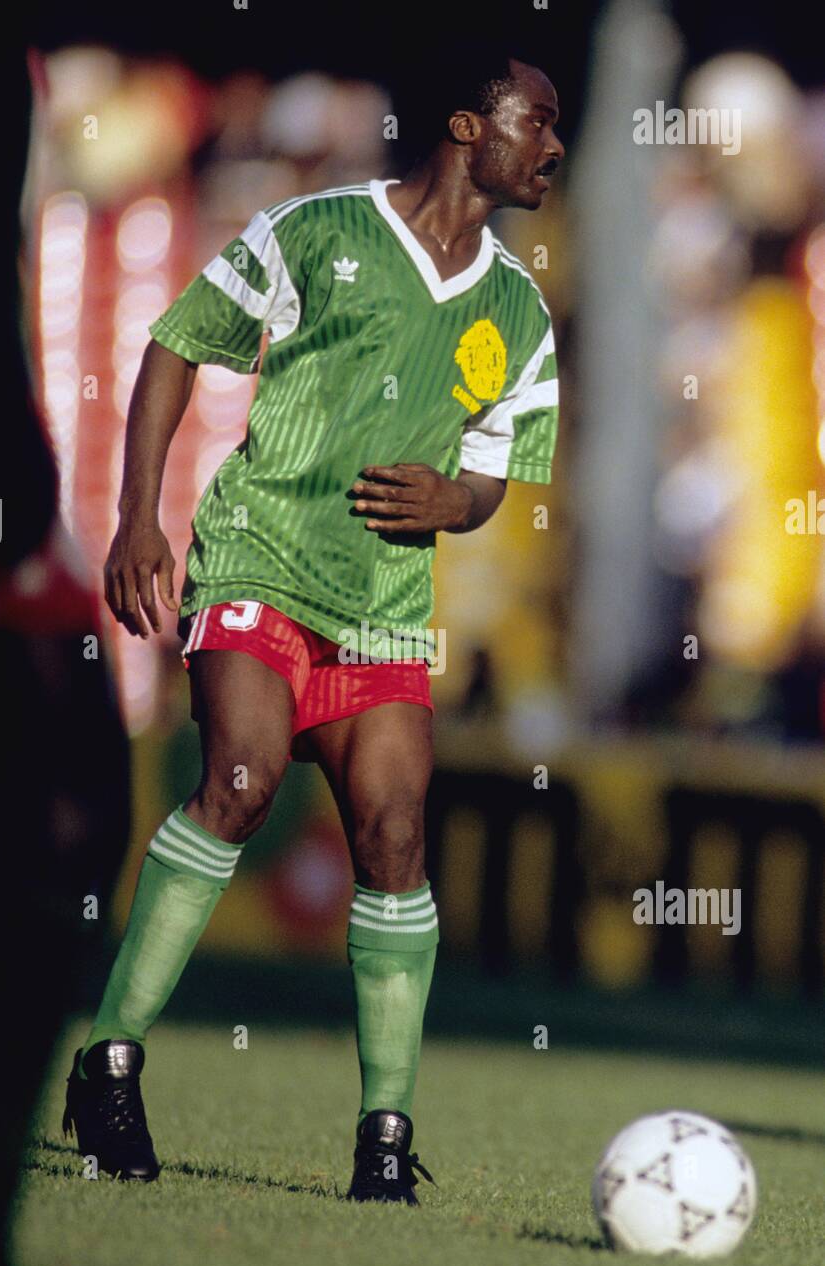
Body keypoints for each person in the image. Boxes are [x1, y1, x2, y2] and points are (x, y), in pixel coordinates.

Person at [64, 48, 563, 1203]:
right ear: (462, 125)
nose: (548, 145)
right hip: (259, 556)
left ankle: (382, 1137)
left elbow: (489, 475)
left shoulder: (515, 311)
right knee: (238, 777)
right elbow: (178, 341)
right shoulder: (320, 229)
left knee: (392, 839)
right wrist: (141, 518)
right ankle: (111, 1060)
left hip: (384, 610)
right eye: (533, 122)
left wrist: (457, 503)